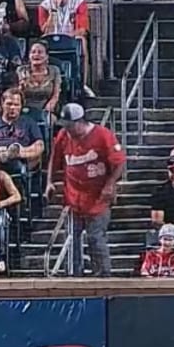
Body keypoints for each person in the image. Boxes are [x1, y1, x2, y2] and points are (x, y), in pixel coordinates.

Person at [47, 103, 125, 276]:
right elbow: (55, 158)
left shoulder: (102, 135)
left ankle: (103, 274)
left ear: (80, 122)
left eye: (70, 125)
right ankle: (76, 274)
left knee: (95, 237)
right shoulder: (63, 135)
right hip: (73, 196)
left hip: (98, 196)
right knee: (72, 238)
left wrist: (110, 184)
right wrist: (50, 182)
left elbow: (119, 162)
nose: (67, 129)